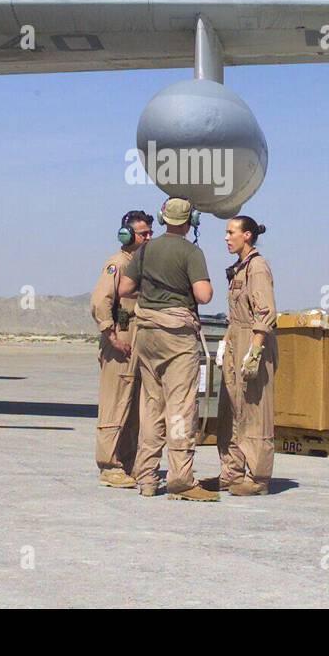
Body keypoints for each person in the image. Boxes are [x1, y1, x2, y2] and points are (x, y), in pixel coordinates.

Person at [116, 197, 217, 501]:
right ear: (191, 222)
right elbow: (205, 295)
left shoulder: (145, 249)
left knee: (151, 406)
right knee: (180, 407)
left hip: (147, 333)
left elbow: (123, 289)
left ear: (162, 219)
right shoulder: (191, 251)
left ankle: (147, 479)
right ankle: (181, 479)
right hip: (176, 335)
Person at [205, 215, 277, 496]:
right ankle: (232, 472)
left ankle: (258, 478)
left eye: (231, 232)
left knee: (254, 410)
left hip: (252, 340)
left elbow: (265, 311)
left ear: (247, 235)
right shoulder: (239, 268)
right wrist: (227, 341)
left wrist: (255, 349)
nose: (226, 237)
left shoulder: (257, 268)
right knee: (232, 408)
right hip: (236, 337)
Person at [89, 210, 153, 487]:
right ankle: (109, 464)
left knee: (134, 404)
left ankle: (129, 462)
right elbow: (100, 301)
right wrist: (111, 333)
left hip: (139, 340)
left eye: (151, 233)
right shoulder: (117, 264)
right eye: (143, 234)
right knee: (115, 403)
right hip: (120, 339)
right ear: (127, 235)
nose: (149, 238)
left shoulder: (141, 265)